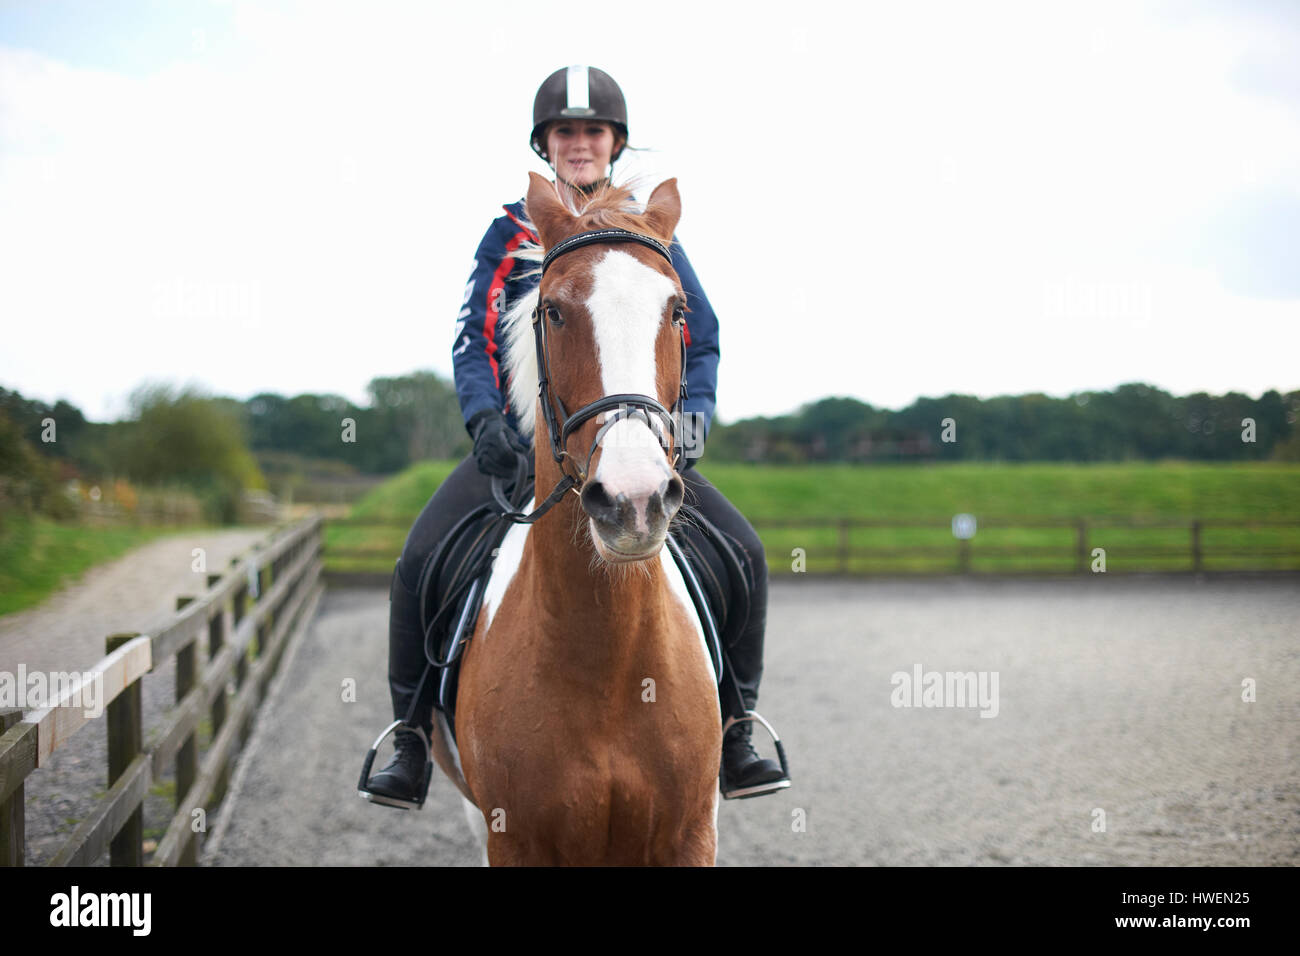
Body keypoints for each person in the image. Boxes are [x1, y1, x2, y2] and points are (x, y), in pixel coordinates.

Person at [366, 65, 788, 806]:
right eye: (567, 131)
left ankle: (738, 727)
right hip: (522, 450)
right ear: (546, 143)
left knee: (745, 552)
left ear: (614, 141)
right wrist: (484, 421)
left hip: (634, 441)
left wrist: (687, 425)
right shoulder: (510, 229)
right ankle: (406, 737)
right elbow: (473, 338)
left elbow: (701, 334)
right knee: (419, 558)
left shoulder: (646, 232)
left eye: (594, 130)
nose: (580, 143)